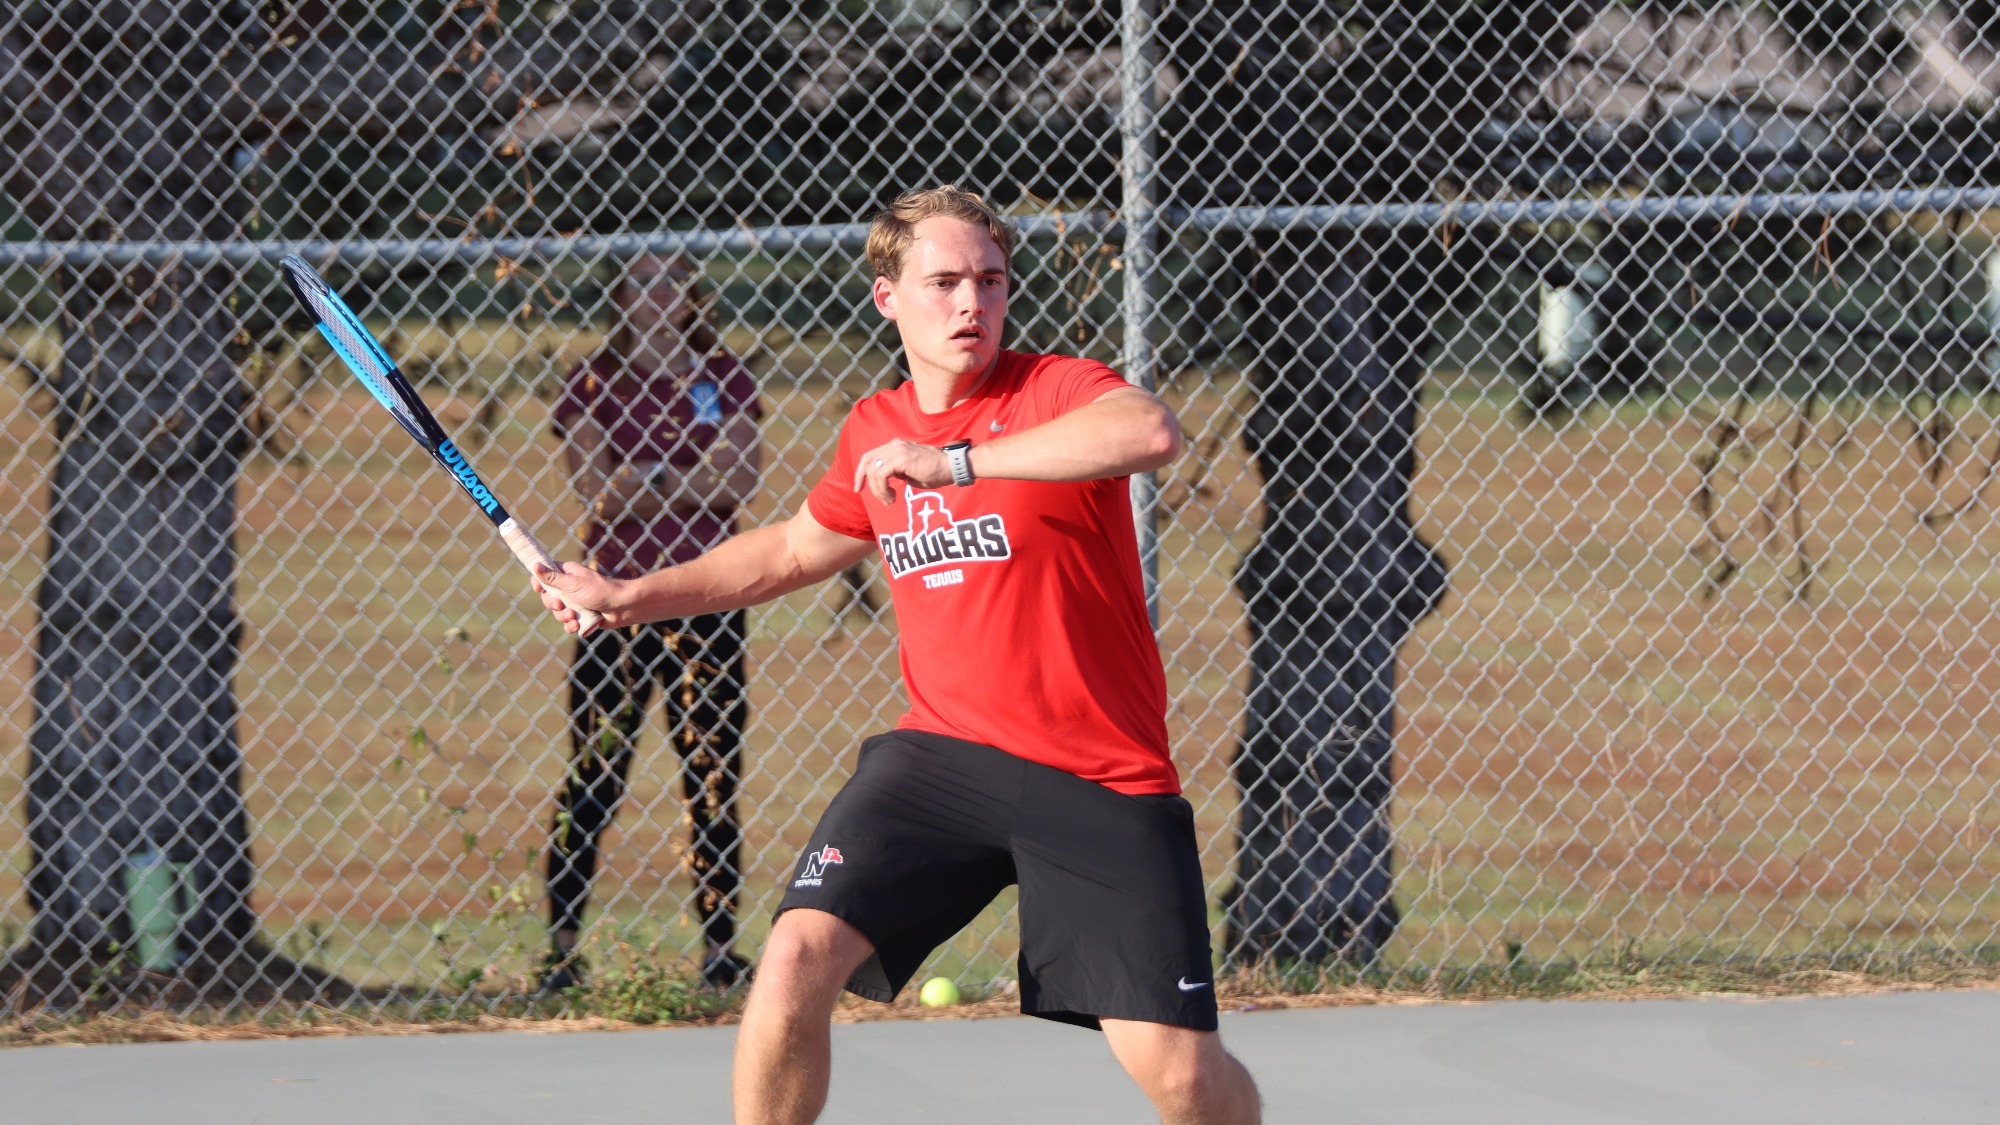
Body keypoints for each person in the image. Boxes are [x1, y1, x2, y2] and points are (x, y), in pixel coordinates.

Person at [535, 187, 1262, 1124]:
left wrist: (955, 461)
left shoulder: (1055, 388)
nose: (972, 304)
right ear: (888, 297)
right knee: (795, 957)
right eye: (945, 282)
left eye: (991, 282)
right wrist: (630, 595)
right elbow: (792, 549)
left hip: (1100, 775)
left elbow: (1149, 432)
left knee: (1180, 1075)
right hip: (943, 758)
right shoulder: (874, 429)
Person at [542, 254, 762, 990]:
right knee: (595, 775)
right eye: (643, 278)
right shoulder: (595, 381)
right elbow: (597, 493)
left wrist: (648, 477)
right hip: (613, 605)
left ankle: (720, 951)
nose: (661, 291)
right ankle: (563, 950)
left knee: (711, 773)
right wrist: (682, 479)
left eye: (674, 276)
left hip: (707, 600)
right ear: (621, 296)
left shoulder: (724, 377)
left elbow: (740, 477)